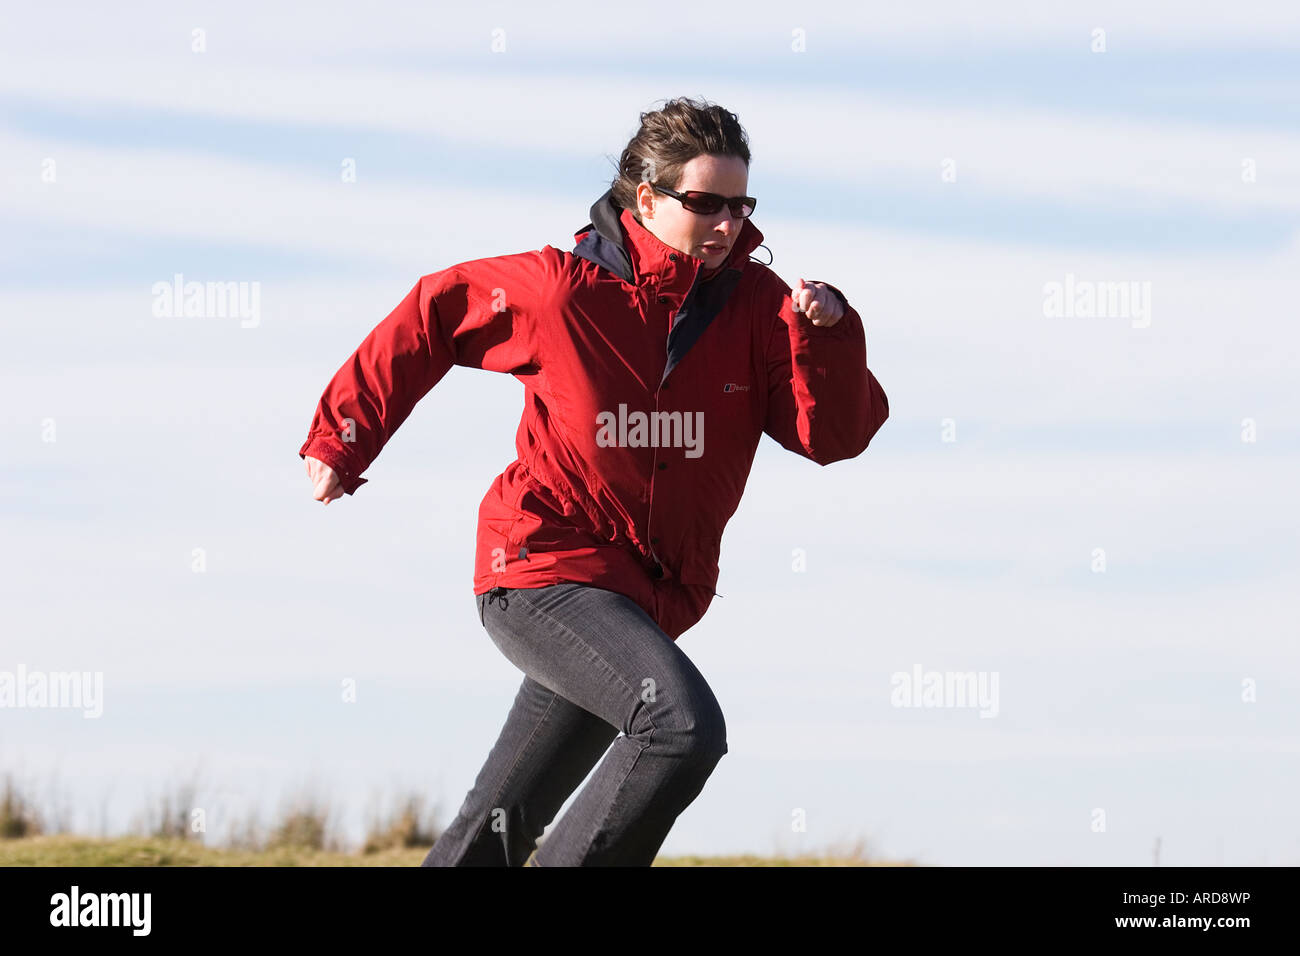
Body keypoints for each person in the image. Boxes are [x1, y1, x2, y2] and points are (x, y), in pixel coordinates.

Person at [298, 97, 890, 866]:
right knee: (680, 729)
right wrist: (343, 438)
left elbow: (831, 437)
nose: (728, 225)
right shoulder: (562, 290)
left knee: (496, 828)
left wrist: (831, 336)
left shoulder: (759, 309)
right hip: (543, 569)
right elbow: (433, 313)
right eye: (705, 203)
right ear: (646, 200)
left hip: (645, 598)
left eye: (741, 206)